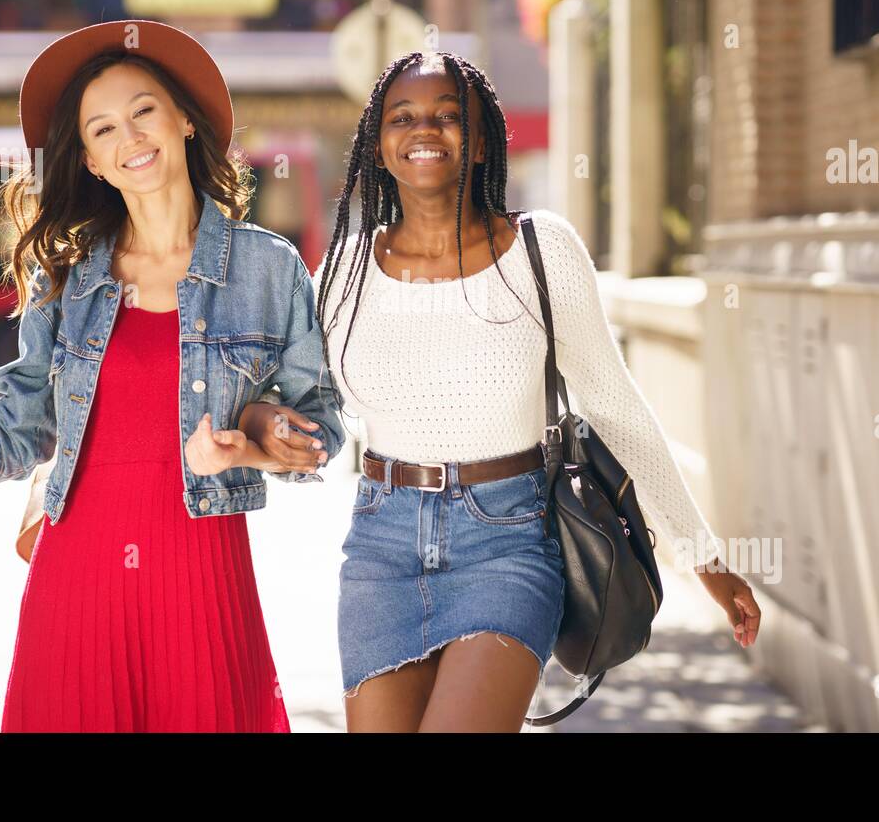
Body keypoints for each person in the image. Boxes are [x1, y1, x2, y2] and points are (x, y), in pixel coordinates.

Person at [0, 19, 346, 732]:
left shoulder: (267, 268)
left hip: (202, 578)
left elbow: (319, 427)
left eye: (144, 110)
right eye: (103, 129)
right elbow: (9, 442)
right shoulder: (65, 278)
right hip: (77, 583)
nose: (130, 137)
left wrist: (249, 441)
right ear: (89, 161)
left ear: (184, 120)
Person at [243, 50, 760, 732]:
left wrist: (704, 557)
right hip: (381, 546)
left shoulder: (542, 251)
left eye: (447, 116)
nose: (424, 129)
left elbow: (616, 407)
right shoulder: (343, 268)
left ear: (482, 138)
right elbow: (300, 402)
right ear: (376, 142)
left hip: (508, 542)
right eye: (402, 117)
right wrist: (262, 427)